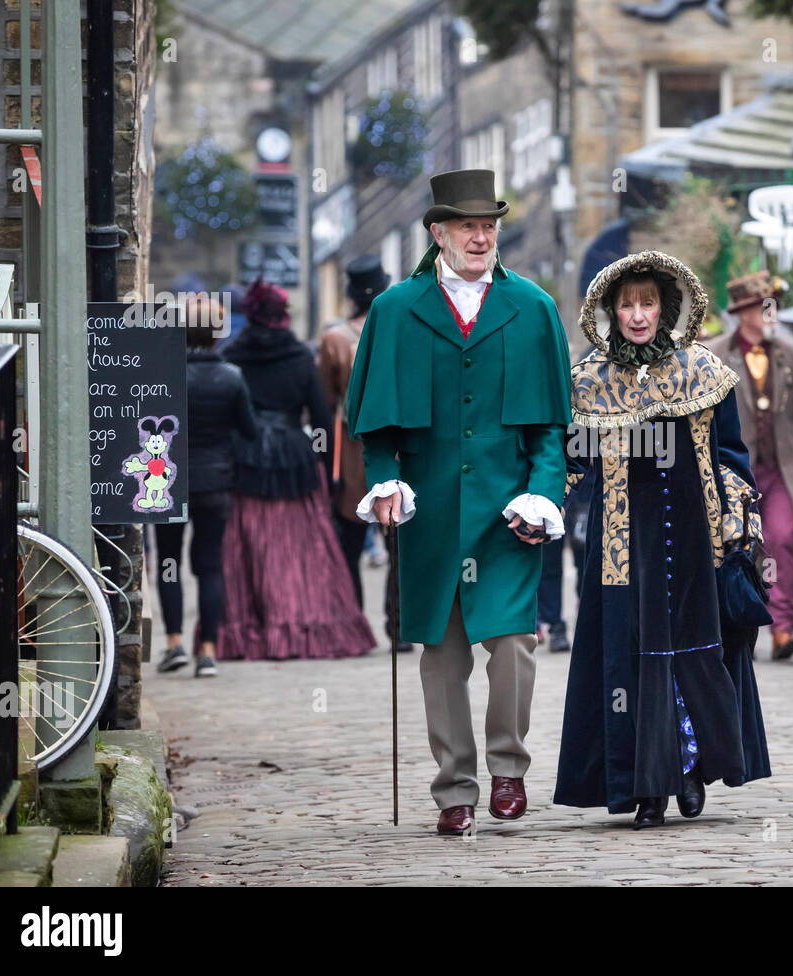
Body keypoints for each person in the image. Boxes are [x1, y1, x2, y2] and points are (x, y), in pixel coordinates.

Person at [343, 169, 571, 837]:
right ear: (438, 233)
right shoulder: (393, 311)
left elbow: (552, 429)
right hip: (431, 516)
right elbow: (376, 428)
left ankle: (509, 767)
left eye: (489, 226)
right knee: (441, 656)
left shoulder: (533, 309)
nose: (480, 236)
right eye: (467, 226)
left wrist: (543, 493)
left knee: (513, 644)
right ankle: (454, 788)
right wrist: (385, 484)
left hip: (508, 517)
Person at [554, 251, 771, 829]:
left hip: (697, 535)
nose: (638, 314)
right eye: (627, 304)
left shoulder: (704, 372)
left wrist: (737, 516)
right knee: (635, 655)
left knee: (698, 648)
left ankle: (693, 773)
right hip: (625, 545)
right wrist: (539, 503)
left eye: (647, 302)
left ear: (665, 306)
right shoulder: (589, 381)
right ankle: (648, 788)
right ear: (611, 310)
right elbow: (571, 462)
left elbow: (732, 455)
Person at [217, 277, 376, 660]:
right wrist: (325, 469)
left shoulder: (233, 356)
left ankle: (253, 629)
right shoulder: (301, 357)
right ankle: (302, 623)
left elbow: (227, 414)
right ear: (282, 315)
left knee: (249, 541)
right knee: (302, 548)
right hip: (294, 457)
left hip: (248, 455)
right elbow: (321, 418)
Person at [706, 270, 793, 661]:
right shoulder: (714, 355)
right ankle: (740, 625)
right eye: (763, 306)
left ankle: (784, 629)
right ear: (743, 313)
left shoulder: (792, 355)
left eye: (774, 306)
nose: (771, 313)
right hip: (735, 470)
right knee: (738, 547)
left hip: (782, 469)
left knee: (782, 539)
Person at [154, 295, 258, 678]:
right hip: (217, 481)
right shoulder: (232, 377)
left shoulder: (165, 374)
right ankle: (209, 652)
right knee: (210, 565)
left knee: (168, 563)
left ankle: (175, 644)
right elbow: (249, 431)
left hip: (166, 482)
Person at [316, 255, 390, 613]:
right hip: (400, 448)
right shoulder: (401, 333)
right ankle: (400, 624)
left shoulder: (333, 340)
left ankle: (352, 618)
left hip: (351, 449)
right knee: (401, 546)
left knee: (350, 538)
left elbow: (325, 402)